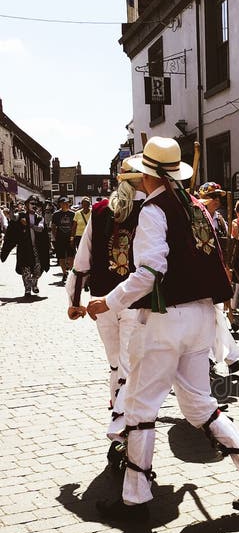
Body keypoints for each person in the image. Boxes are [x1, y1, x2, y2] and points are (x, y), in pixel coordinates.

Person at [87, 136, 239, 522]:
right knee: (198, 405)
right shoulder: (196, 209)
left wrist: (106, 301)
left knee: (140, 407)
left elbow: (149, 272)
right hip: (200, 318)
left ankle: (135, 498)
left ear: (147, 175)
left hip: (165, 320)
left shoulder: (154, 211)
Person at [66, 165, 145, 462]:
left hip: (101, 301)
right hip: (135, 300)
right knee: (128, 366)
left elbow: (81, 261)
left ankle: (120, 430)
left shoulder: (100, 211)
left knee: (116, 366)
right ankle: (122, 432)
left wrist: (74, 300)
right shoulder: (152, 209)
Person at [196, 182, 239, 377]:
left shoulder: (218, 219)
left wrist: (229, 265)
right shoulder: (197, 218)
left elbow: (225, 244)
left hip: (215, 272)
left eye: (218, 196)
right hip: (201, 275)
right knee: (210, 318)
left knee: (216, 316)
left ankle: (226, 359)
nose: (217, 200)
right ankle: (223, 359)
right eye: (213, 196)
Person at [0, 197, 50, 297]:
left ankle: (34, 284)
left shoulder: (40, 218)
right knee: (25, 269)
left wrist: (29, 224)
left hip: (37, 248)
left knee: (38, 268)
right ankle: (27, 289)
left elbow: (40, 229)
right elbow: (13, 217)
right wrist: (11, 206)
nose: (34, 205)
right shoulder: (21, 215)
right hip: (24, 247)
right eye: (32, 203)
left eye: (35, 203)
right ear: (27, 205)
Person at [51, 196, 76, 281]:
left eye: (66, 203)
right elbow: (53, 226)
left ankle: (70, 271)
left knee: (71, 257)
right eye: (63, 203)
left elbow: (74, 226)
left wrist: (73, 237)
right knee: (61, 257)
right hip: (60, 238)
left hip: (70, 238)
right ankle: (64, 273)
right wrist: (54, 237)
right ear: (60, 204)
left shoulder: (73, 214)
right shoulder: (56, 214)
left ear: (69, 204)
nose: (65, 205)